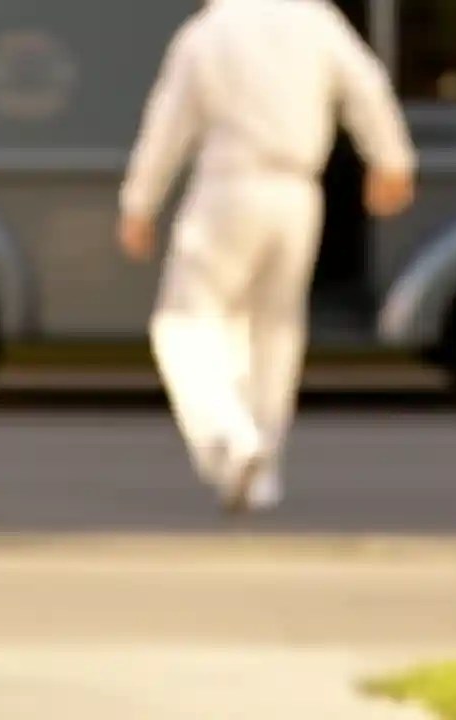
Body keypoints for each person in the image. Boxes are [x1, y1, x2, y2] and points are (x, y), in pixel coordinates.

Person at [118, 0, 416, 513]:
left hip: (229, 186)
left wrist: (139, 203)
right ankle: (261, 472)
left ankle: (231, 437)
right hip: (298, 194)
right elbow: (366, 86)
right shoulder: (317, 20)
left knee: (183, 324)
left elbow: (169, 122)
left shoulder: (208, 31)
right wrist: (392, 159)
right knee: (275, 331)